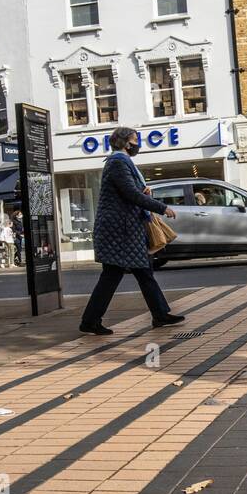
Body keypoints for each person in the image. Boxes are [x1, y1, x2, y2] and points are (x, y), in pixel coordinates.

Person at [79, 126, 184, 336]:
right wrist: (162, 207)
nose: (138, 143)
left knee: (142, 271)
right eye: (135, 139)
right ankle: (90, 321)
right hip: (118, 231)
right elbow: (130, 194)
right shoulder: (118, 162)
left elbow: (131, 192)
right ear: (125, 142)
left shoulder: (122, 162)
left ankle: (160, 314)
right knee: (114, 274)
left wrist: (144, 191)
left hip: (125, 229)